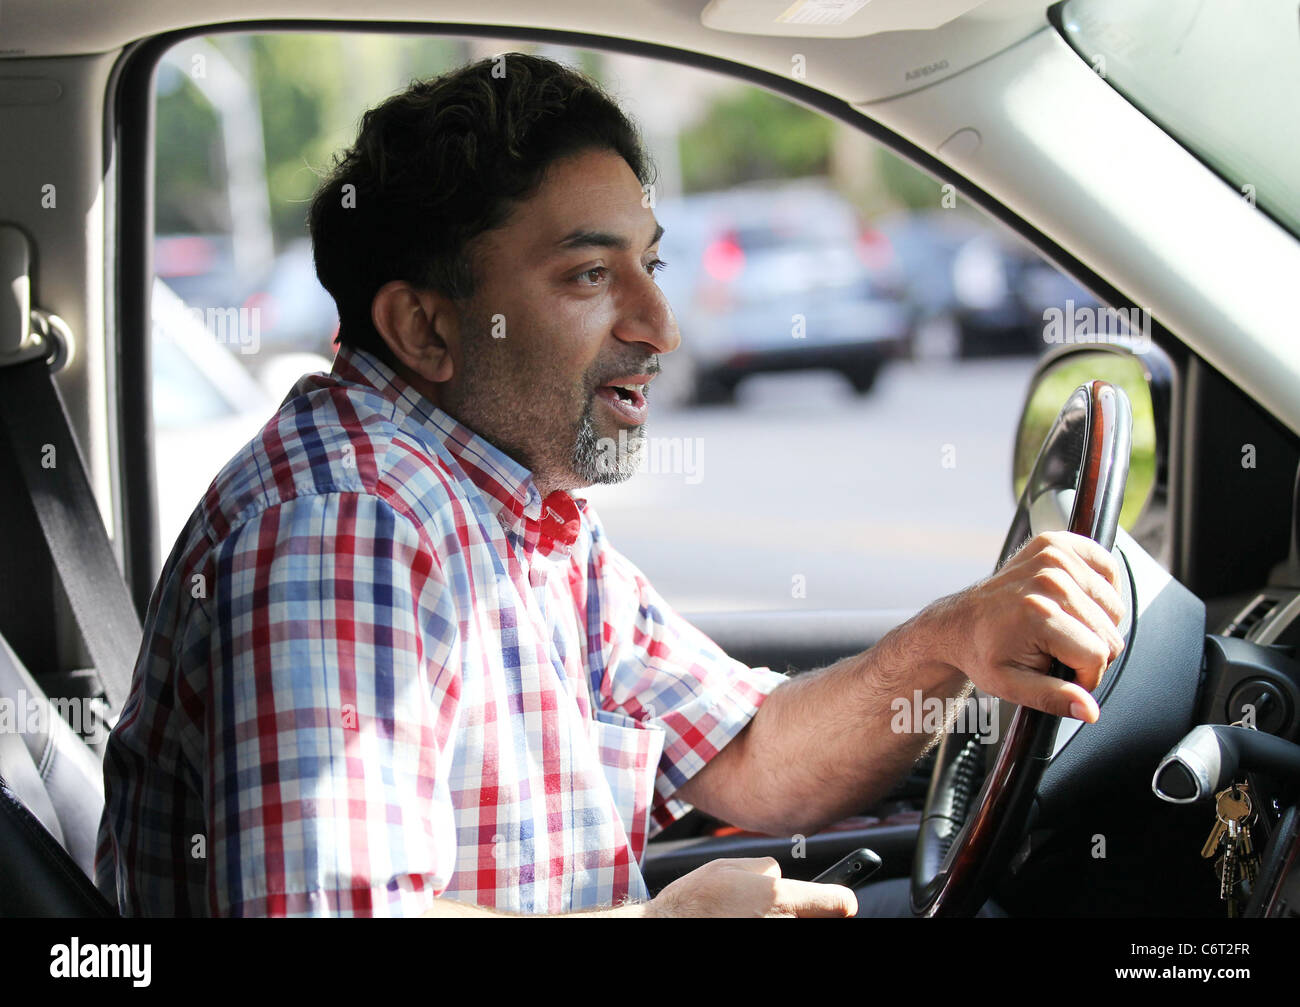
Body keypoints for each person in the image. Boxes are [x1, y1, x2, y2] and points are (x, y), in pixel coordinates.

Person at [94, 53, 1126, 918]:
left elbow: (755, 752)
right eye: (590, 276)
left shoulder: (519, 509)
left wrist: (951, 641)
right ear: (425, 326)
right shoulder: (344, 524)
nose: (659, 326)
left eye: (651, 264)